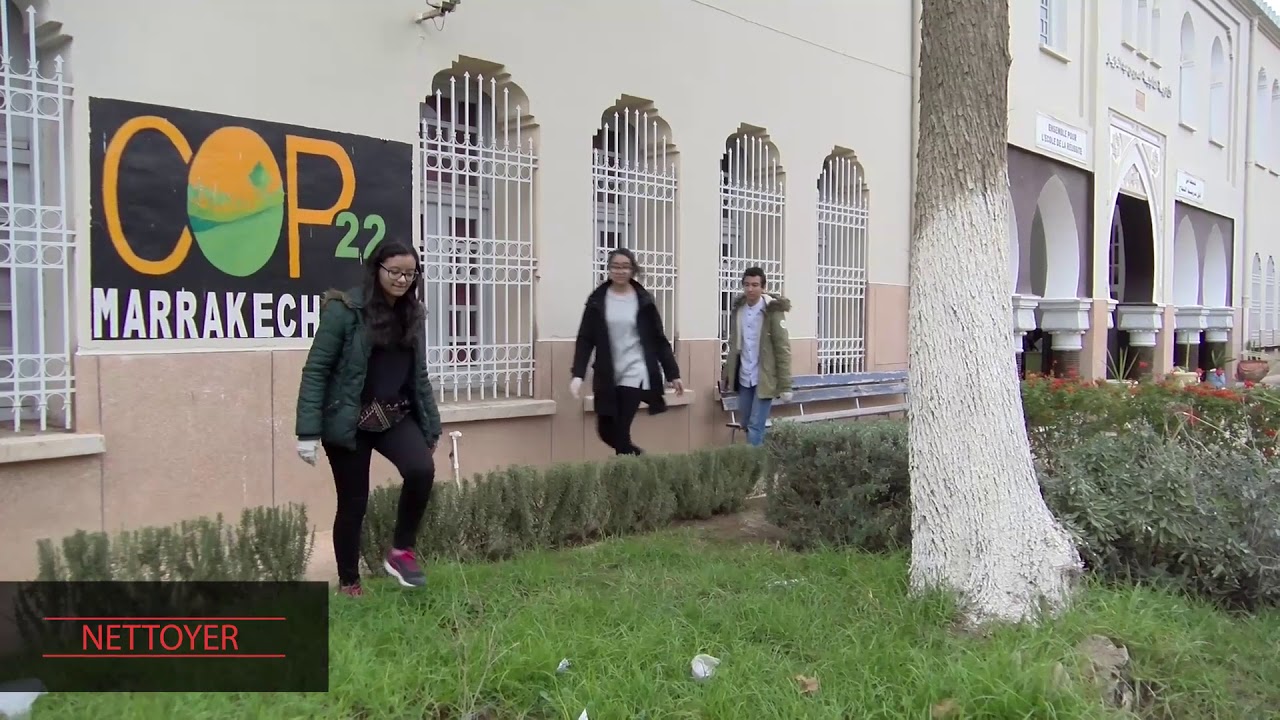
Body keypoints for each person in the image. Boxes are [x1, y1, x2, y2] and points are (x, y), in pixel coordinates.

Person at [294, 240, 443, 597]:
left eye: (410, 274)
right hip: (348, 421)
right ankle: (349, 583)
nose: (402, 280)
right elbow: (316, 369)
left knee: (421, 470)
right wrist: (307, 431)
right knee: (353, 504)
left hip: (393, 415)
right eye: (395, 272)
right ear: (377, 269)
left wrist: (431, 424)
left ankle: (401, 552)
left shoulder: (413, 315)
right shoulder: (344, 310)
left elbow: (419, 375)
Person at [570, 248, 684, 455]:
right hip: (607, 373)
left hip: (635, 371)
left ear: (632, 270)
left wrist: (673, 374)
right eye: (615, 266)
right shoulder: (598, 300)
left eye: (625, 267)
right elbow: (585, 338)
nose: (620, 271)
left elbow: (659, 339)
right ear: (608, 269)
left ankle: (626, 470)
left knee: (622, 430)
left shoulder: (643, 300)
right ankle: (641, 461)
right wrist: (578, 374)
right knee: (605, 430)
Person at [722, 266, 793, 447]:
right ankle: (758, 455)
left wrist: (785, 385)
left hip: (764, 377)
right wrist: (727, 374)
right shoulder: (739, 311)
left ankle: (755, 462)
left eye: (755, 285)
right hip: (744, 376)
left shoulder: (772, 311)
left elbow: (782, 348)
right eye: (747, 285)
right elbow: (734, 345)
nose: (750, 289)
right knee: (746, 423)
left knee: (755, 425)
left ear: (763, 287)